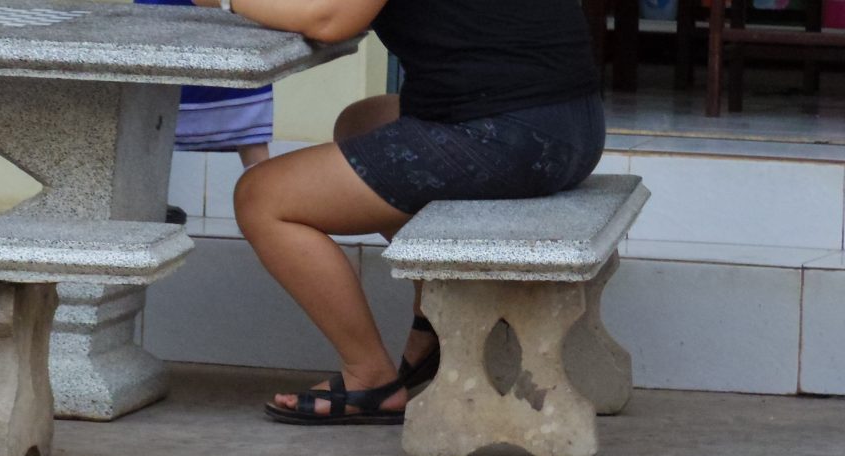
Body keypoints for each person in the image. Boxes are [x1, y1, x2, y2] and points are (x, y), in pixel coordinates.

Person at [191, 0, 604, 424]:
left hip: (512, 139)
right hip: (569, 125)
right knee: (361, 122)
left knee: (262, 198)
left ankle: (368, 378)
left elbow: (330, 19)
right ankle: (435, 313)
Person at [134, 0, 273, 189]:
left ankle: (265, 193)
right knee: (151, 122)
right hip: (164, 18)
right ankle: (143, 203)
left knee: (250, 127)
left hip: (233, 27)